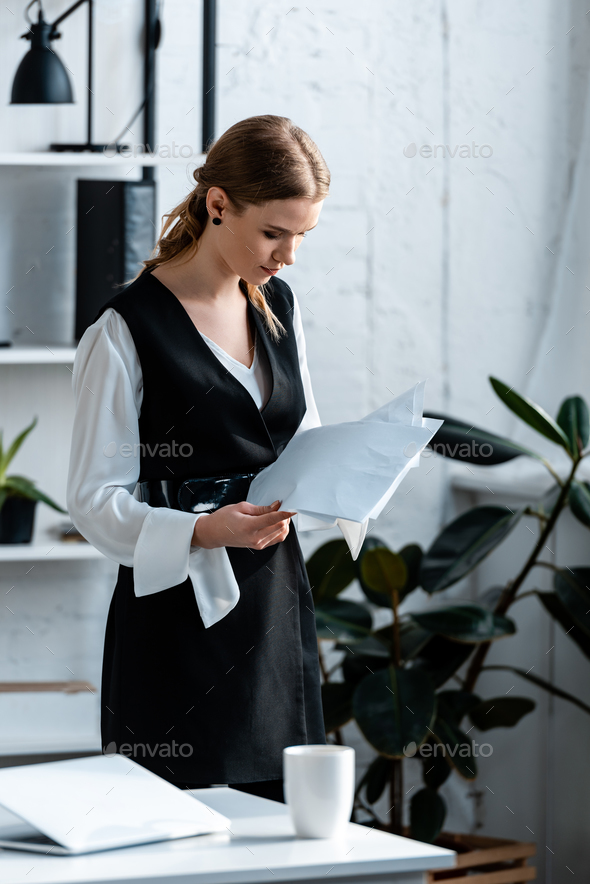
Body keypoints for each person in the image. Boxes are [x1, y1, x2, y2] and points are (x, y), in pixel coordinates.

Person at [66, 115, 331, 804]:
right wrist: (206, 529)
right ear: (219, 205)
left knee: (279, 830)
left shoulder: (280, 306)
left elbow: (304, 436)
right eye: (275, 232)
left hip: (274, 606)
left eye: (302, 235)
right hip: (176, 622)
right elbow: (94, 502)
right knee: (175, 829)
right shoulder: (125, 329)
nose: (289, 255)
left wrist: (347, 470)